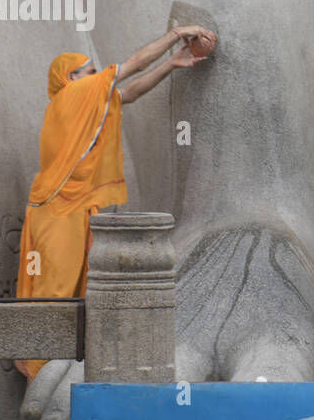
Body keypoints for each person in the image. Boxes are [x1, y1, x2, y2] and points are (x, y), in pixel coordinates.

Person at [15, 25, 216, 378]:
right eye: (89, 71)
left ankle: (62, 381)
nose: (97, 76)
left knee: (80, 297)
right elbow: (131, 67)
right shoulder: (72, 96)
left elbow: (129, 93)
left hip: (76, 208)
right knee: (55, 295)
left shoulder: (85, 107)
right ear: (70, 78)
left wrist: (172, 64)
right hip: (57, 210)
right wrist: (175, 35)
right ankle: (39, 380)